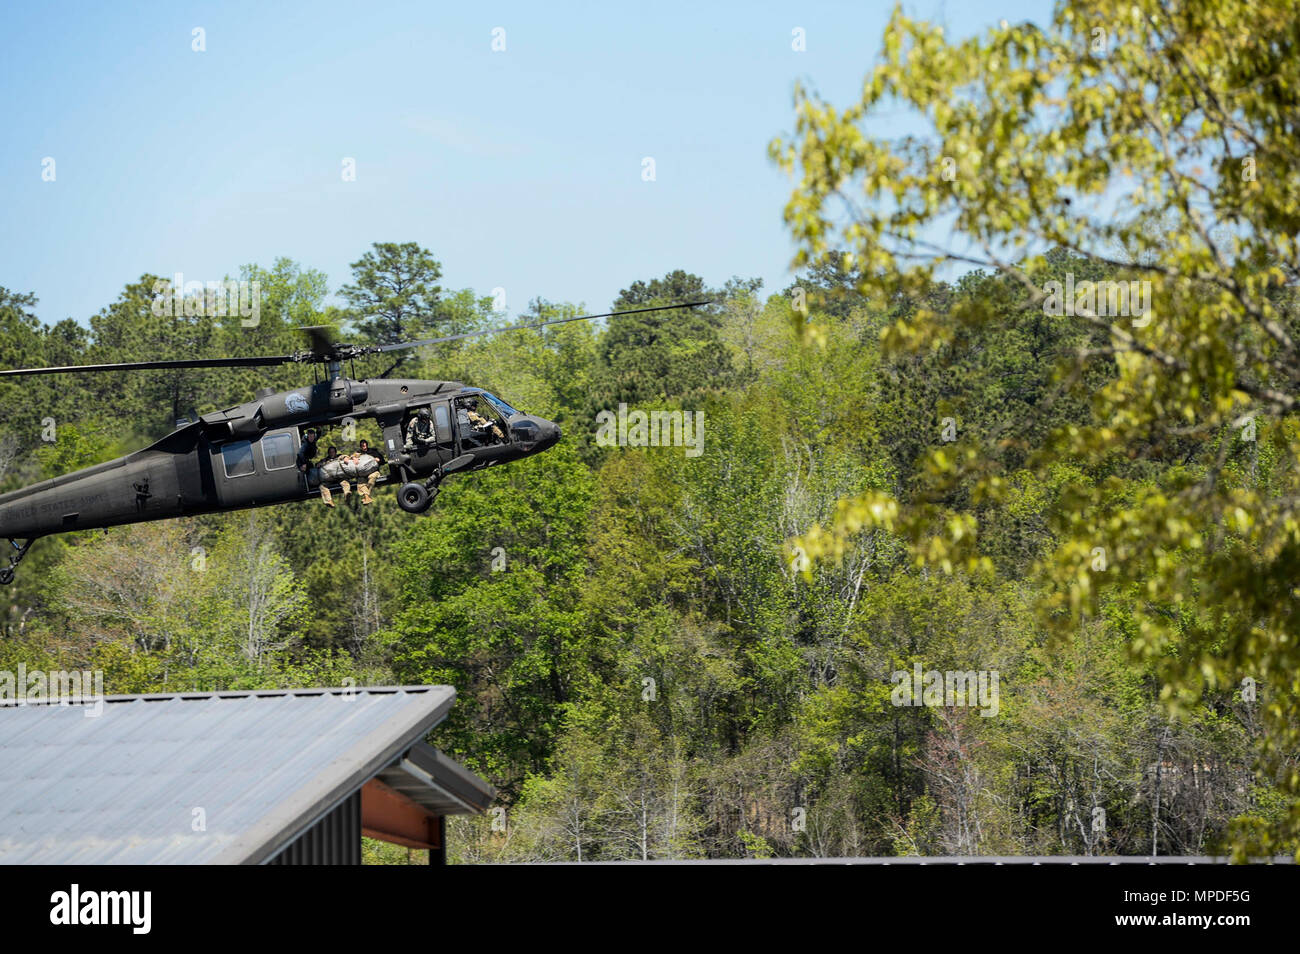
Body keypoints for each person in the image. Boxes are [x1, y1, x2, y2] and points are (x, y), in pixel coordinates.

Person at [297, 428, 334, 507]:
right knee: (307, 472)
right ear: (307, 436)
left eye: (312, 437)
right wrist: (303, 463)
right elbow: (300, 454)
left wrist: (319, 428)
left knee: (312, 469)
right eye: (310, 437)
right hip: (302, 460)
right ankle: (308, 486)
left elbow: (319, 433)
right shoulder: (305, 444)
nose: (311, 438)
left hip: (308, 460)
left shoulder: (314, 439)